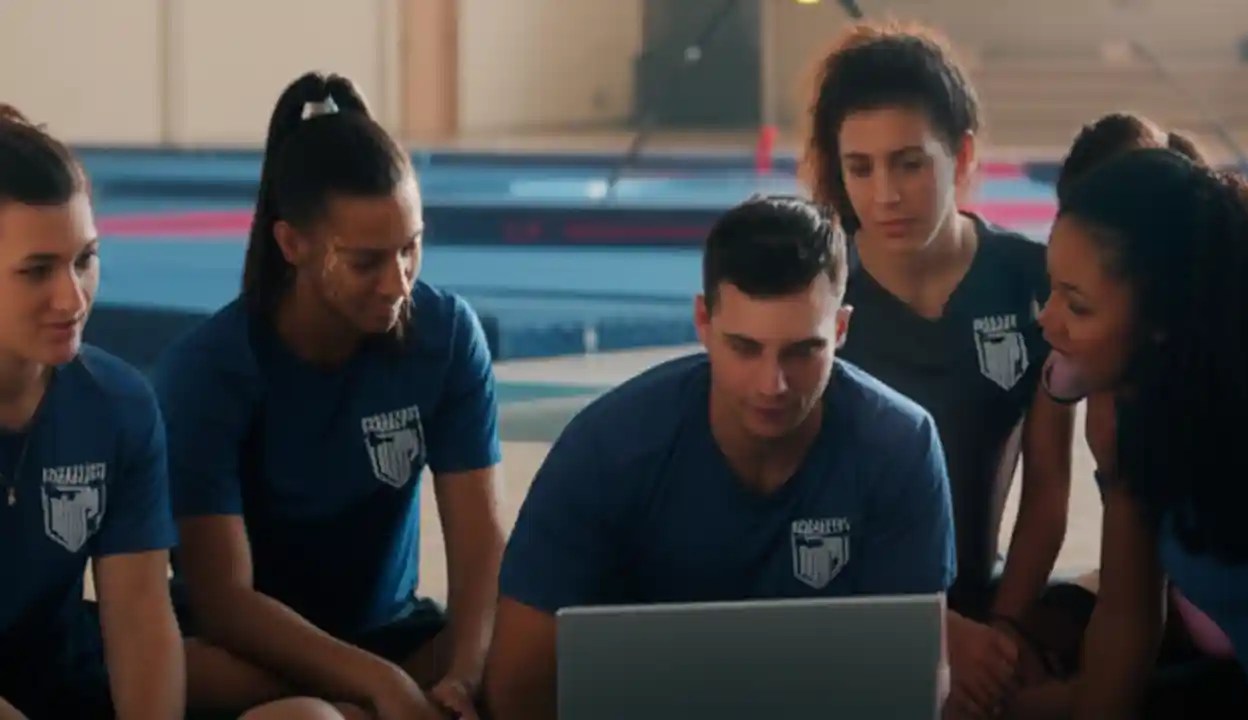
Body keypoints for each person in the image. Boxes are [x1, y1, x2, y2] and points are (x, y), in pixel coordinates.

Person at [481, 195, 957, 720]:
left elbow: (914, 684)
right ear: (703, 321)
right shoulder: (607, 452)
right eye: (745, 348)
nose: (772, 384)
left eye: (803, 350)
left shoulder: (899, 447)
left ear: (840, 330)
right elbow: (515, 690)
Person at [152, 73, 504, 720]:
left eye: (411, 249)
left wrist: (464, 673)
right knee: (299, 712)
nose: (397, 283)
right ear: (293, 245)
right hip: (250, 657)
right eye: (366, 261)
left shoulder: (446, 337)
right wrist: (379, 687)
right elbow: (223, 599)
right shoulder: (208, 372)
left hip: (393, 639)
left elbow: (482, 549)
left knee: (535, 651)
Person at [803, 21, 1076, 718]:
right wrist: (922, 633)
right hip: (844, 604)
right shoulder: (817, 295)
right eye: (860, 168)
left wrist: (1002, 635)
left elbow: (1048, 485)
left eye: (910, 163)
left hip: (991, 607)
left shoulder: (1028, 280)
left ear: (963, 153)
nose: (885, 194)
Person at [1034, 147, 1248, 717]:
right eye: (1052, 290)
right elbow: (1127, 615)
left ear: (1166, 318)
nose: (1047, 319)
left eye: (1078, 305)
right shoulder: (1132, 411)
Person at [0, 105, 184, 718]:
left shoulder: (118, 407)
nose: (73, 298)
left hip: (65, 689)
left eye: (85, 258)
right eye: (37, 271)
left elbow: (138, 623)